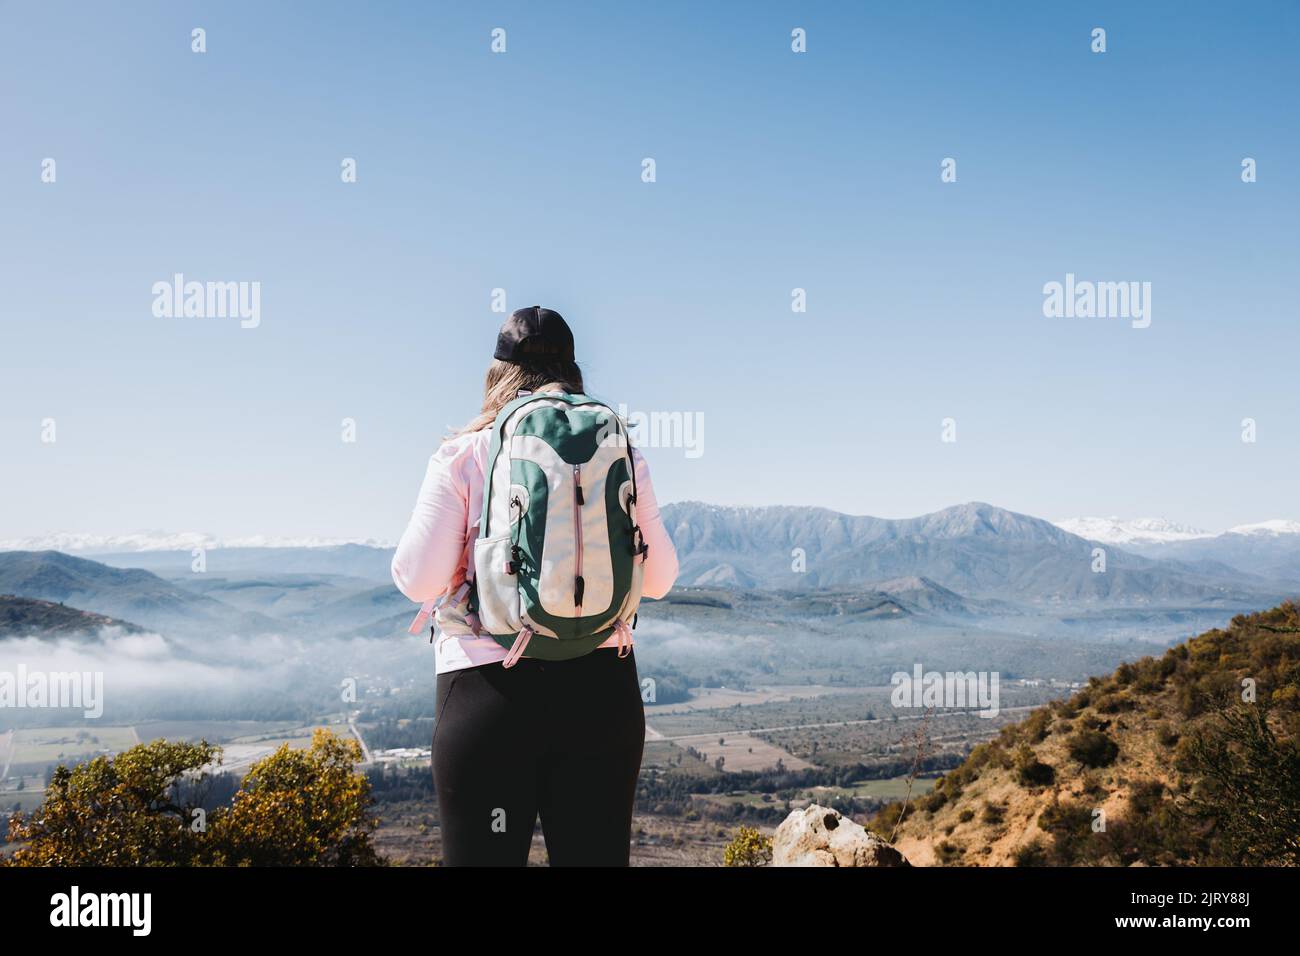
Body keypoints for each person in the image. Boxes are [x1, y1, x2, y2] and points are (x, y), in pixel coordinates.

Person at [392, 306, 679, 866]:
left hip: (487, 694)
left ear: (497, 373)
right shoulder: (618, 450)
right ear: (574, 370)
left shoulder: (464, 454)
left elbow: (417, 579)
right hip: (602, 694)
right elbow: (662, 579)